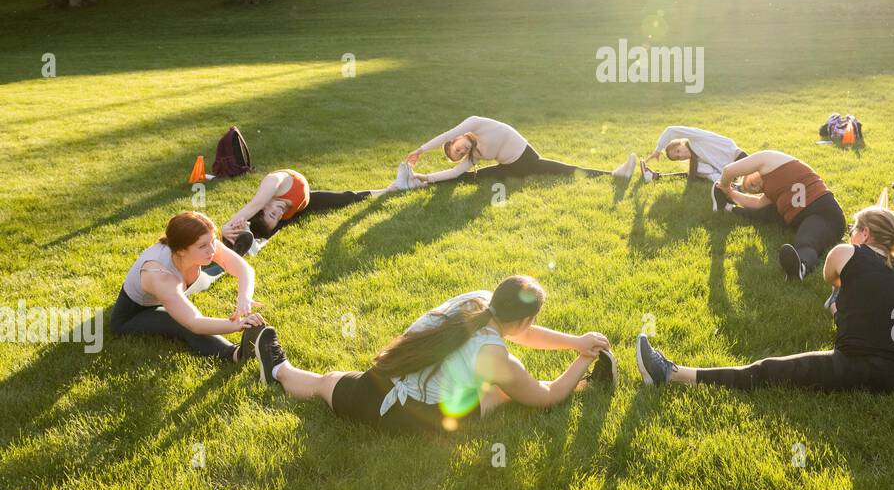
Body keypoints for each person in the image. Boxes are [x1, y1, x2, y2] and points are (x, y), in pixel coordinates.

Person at [245, 275, 617, 434]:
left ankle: (278, 369)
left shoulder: (477, 301)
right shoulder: (498, 359)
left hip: (381, 383)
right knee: (508, 392)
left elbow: (522, 332)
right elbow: (545, 397)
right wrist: (583, 357)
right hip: (414, 416)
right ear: (524, 317)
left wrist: (574, 341)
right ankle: (585, 382)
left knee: (325, 381)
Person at [635, 206, 894, 394]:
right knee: (859, 304)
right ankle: (835, 309)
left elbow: (833, 280)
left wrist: (838, 301)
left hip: (862, 367)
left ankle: (670, 374)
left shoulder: (846, 253)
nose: (850, 234)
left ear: (864, 234)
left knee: (765, 369)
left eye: (852, 230)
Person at [110, 211, 267, 363]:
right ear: (181, 250)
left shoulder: (202, 243)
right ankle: (236, 354)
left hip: (174, 288)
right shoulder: (161, 277)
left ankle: (222, 263)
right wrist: (237, 324)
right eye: (203, 246)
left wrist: (244, 298)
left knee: (207, 278)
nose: (212, 249)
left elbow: (245, 270)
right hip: (133, 313)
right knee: (181, 324)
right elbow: (194, 322)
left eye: (213, 241)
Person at [395, 115, 637, 188]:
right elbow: (453, 172)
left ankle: (615, 175)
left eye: (458, 148)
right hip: (514, 166)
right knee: (467, 177)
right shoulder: (474, 156)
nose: (462, 152)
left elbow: (446, 135)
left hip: (526, 158)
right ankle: (420, 183)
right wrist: (428, 175)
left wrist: (421, 150)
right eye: (459, 154)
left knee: (564, 169)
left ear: (459, 138)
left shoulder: (474, 123)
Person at [713, 150, 846, 281]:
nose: (756, 189)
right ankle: (729, 208)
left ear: (750, 171)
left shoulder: (767, 159)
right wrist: (731, 194)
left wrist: (724, 187)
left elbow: (728, 171)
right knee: (768, 212)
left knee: (805, 241)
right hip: (804, 220)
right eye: (755, 190)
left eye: (752, 184)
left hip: (822, 212)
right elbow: (758, 204)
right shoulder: (772, 191)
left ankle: (800, 267)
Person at [220, 168, 398, 253]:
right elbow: (267, 216)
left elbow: (254, 205)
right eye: (276, 216)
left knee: (346, 198)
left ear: (265, 206)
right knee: (269, 231)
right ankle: (246, 241)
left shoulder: (274, 182)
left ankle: (388, 191)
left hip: (306, 200)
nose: (279, 213)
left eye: (273, 212)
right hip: (297, 209)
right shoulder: (281, 216)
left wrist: (226, 226)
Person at [639, 126, 746, 184]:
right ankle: (655, 176)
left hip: (740, 158)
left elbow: (671, 130)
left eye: (678, 151)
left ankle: (655, 176)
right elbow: (711, 175)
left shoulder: (696, 138)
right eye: (678, 158)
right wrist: (726, 184)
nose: (681, 155)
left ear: (681, 143)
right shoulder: (697, 162)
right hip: (734, 174)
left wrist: (658, 150)